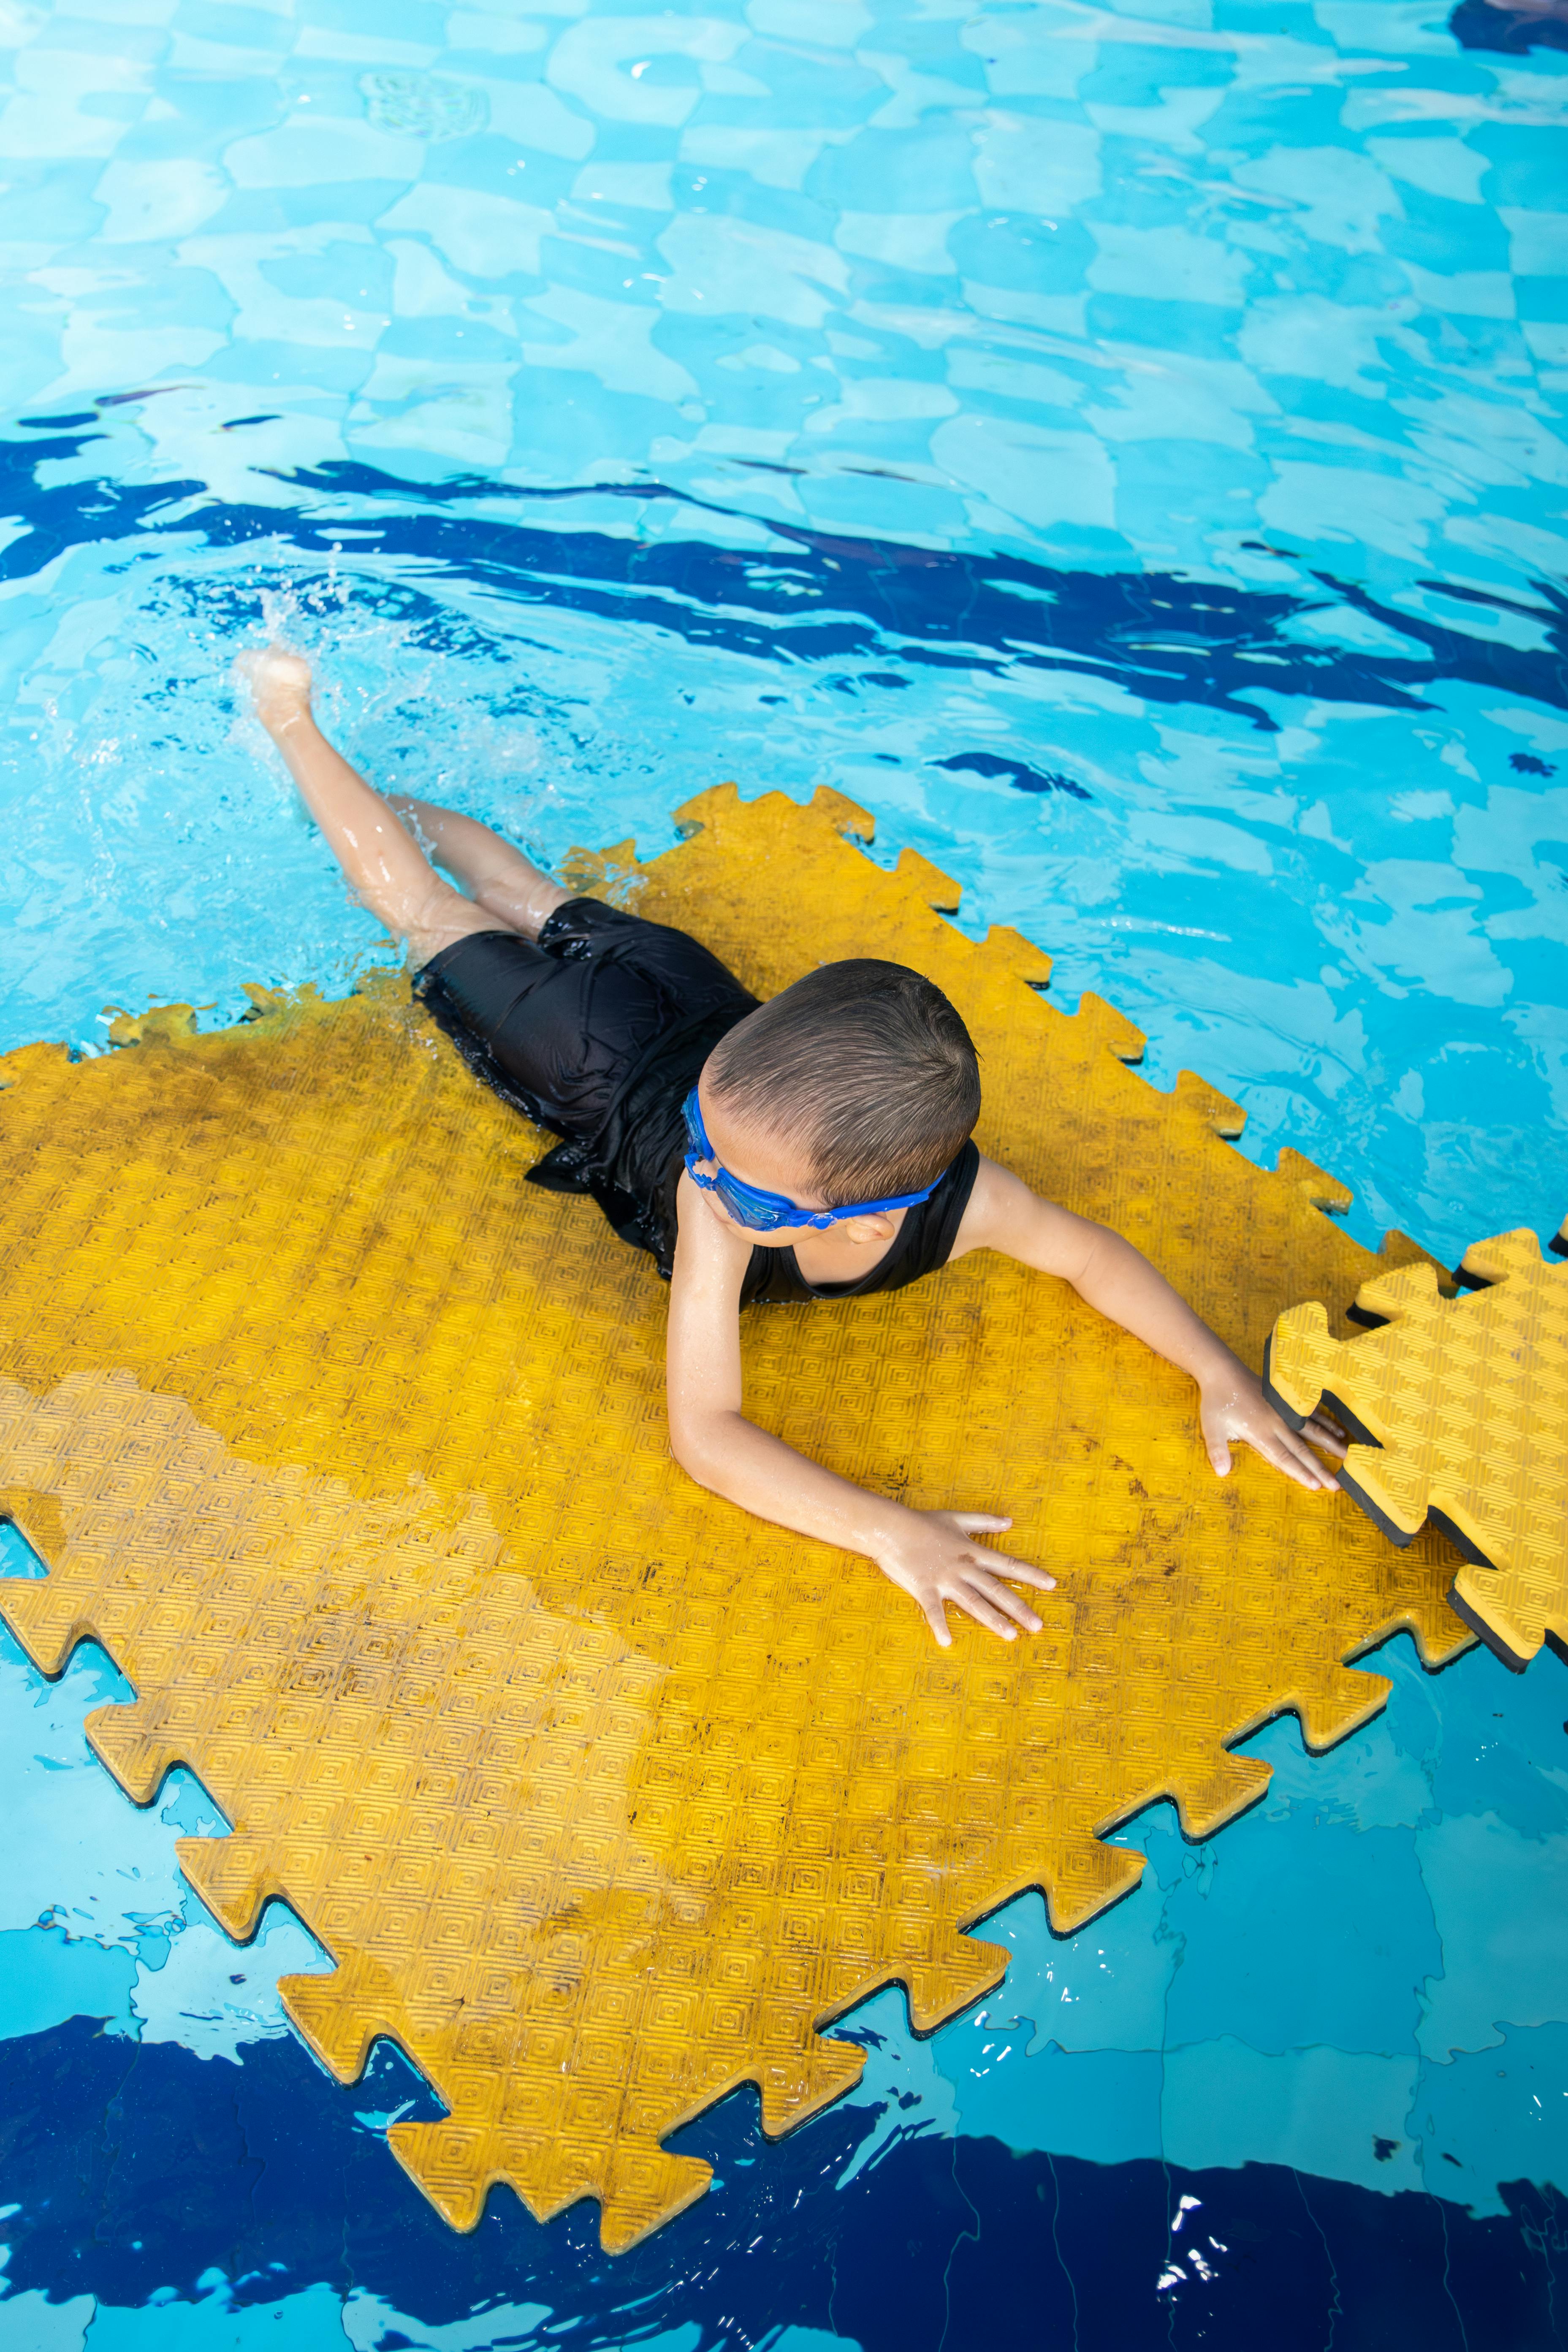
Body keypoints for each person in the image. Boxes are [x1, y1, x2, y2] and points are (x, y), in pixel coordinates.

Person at [239, 647, 1346, 1648]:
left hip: (696, 993)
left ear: (867, 1219)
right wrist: (887, 1530)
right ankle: (295, 729)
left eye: (728, 1176)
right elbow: (706, 1434)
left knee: (533, 898)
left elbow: (1092, 1257)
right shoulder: (723, 1206)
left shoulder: (972, 1206)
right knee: (431, 913)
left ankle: (364, 790)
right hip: (585, 1060)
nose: (698, 1177)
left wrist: (1220, 1375)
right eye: (703, 1144)